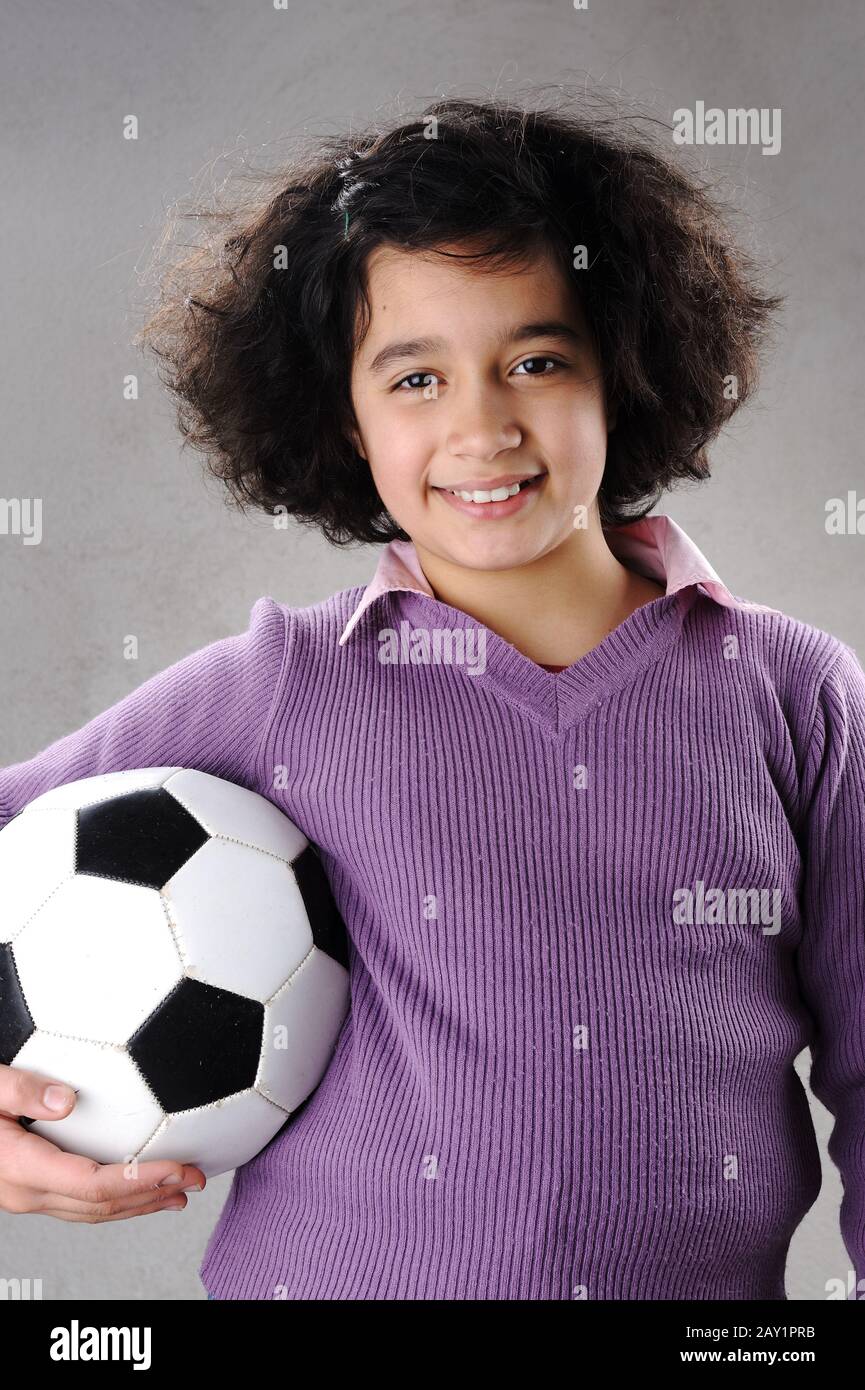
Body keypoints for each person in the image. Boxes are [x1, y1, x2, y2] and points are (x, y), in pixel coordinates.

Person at [1, 94, 863, 1301]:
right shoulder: (286, 685)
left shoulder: (793, 695)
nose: (481, 425)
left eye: (536, 359)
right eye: (413, 378)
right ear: (345, 423)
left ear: (620, 371)